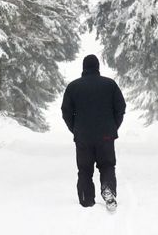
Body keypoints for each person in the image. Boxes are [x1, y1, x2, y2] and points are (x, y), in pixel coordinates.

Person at [60, 54, 126, 210]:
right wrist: (113, 127)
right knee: (107, 165)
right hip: (106, 135)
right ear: (98, 67)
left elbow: (66, 112)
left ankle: (86, 199)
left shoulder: (73, 87)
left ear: (84, 68)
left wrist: (75, 129)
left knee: (84, 169)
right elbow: (120, 108)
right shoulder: (110, 85)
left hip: (83, 136)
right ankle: (108, 188)